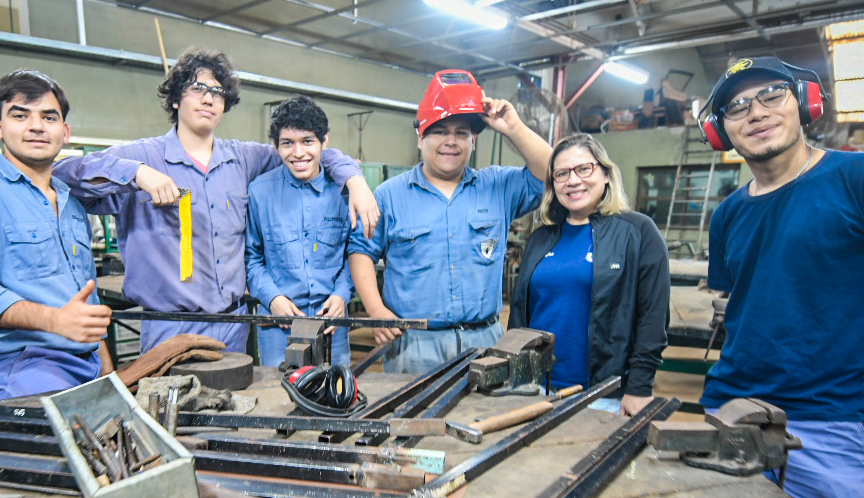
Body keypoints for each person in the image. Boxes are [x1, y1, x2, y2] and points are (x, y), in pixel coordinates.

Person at [700, 55, 864, 498]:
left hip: (826, 419)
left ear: (806, 104)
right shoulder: (727, 214)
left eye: (771, 95)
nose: (756, 112)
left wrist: (834, 352)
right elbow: (740, 304)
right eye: (737, 107)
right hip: (730, 406)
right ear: (721, 132)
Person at [50, 49, 378, 353]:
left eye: (217, 91)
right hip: (170, 327)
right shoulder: (143, 155)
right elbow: (62, 175)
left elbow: (308, 150)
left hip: (233, 325)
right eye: (197, 88)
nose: (208, 98)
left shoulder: (244, 159)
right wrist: (135, 173)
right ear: (176, 99)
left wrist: (355, 180)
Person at [348, 69, 549, 375]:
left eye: (460, 133)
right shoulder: (390, 194)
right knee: (415, 422)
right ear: (420, 137)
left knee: (482, 421)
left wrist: (513, 127)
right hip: (413, 343)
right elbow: (361, 250)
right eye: (439, 131)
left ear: (472, 140)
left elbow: (552, 173)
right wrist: (377, 312)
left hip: (484, 341)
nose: (450, 142)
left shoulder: (498, 187)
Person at [0, 70, 113, 403]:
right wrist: (54, 320)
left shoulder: (72, 200)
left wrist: (103, 358)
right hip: (22, 369)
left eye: (49, 117)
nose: (36, 126)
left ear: (65, 131)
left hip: (85, 363)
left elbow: (82, 291)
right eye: (20, 115)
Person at [507, 134, 669, 416]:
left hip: (604, 394)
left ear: (605, 174)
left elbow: (653, 318)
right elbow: (520, 316)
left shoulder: (638, 231)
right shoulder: (541, 238)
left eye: (584, 169)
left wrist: (639, 387)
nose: (573, 181)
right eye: (561, 174)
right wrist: (516, 378)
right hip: (535, 391)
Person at [245, 95, 353, 367]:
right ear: (275, 146)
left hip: (332, 321)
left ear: (324, 142)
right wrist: (273, 298)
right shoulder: (260, 192)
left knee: (335, 396)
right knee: (277, 399)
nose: (298, 153)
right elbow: (252, 257)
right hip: (277, 324)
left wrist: (342, 294)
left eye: (307, 141)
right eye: (287, 143)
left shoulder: (344, 192)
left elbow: (356, 254)